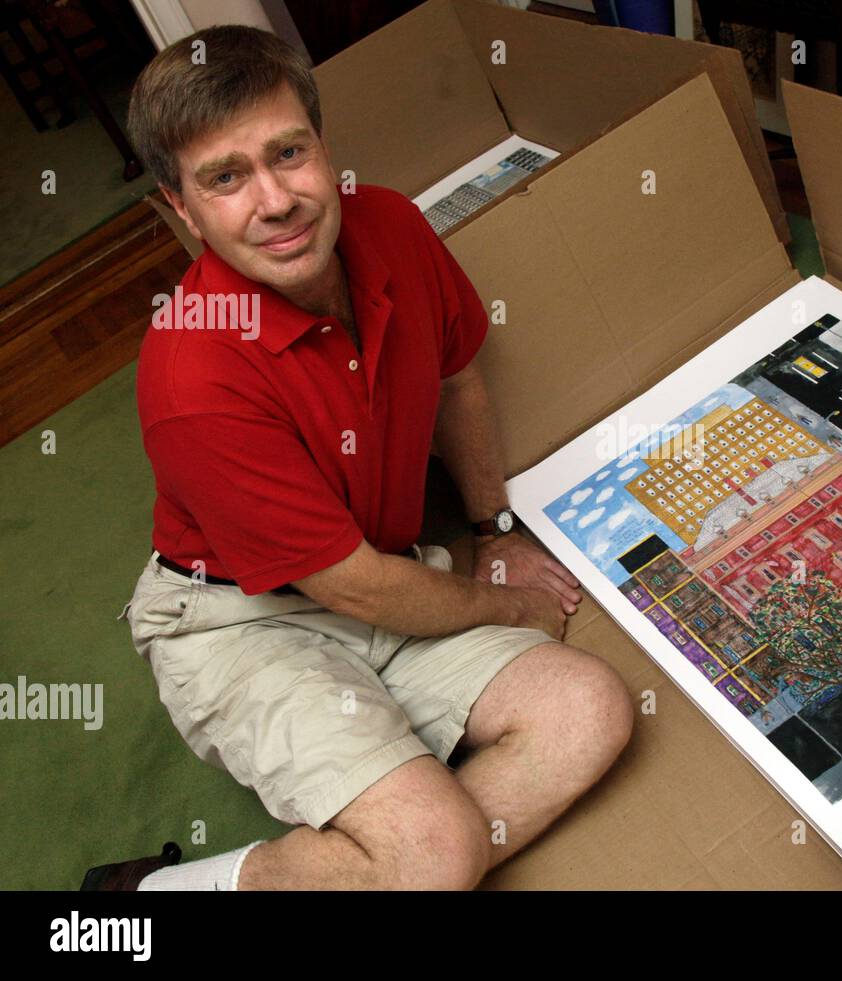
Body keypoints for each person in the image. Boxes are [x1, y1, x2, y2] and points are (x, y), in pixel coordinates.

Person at [81, 25, 633, 891]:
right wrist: (507, 607)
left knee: (590, 709)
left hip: (380, 567)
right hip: (238, 621)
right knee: (435, 849)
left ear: (323, 146)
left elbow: (456, 381)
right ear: (183, 210)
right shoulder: (191, 372)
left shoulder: (392, 224)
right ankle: (151, 893)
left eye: (288, 153)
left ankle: (404, 840)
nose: (276, 199)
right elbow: (349, 586)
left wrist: (494, 529)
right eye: (226, 177)